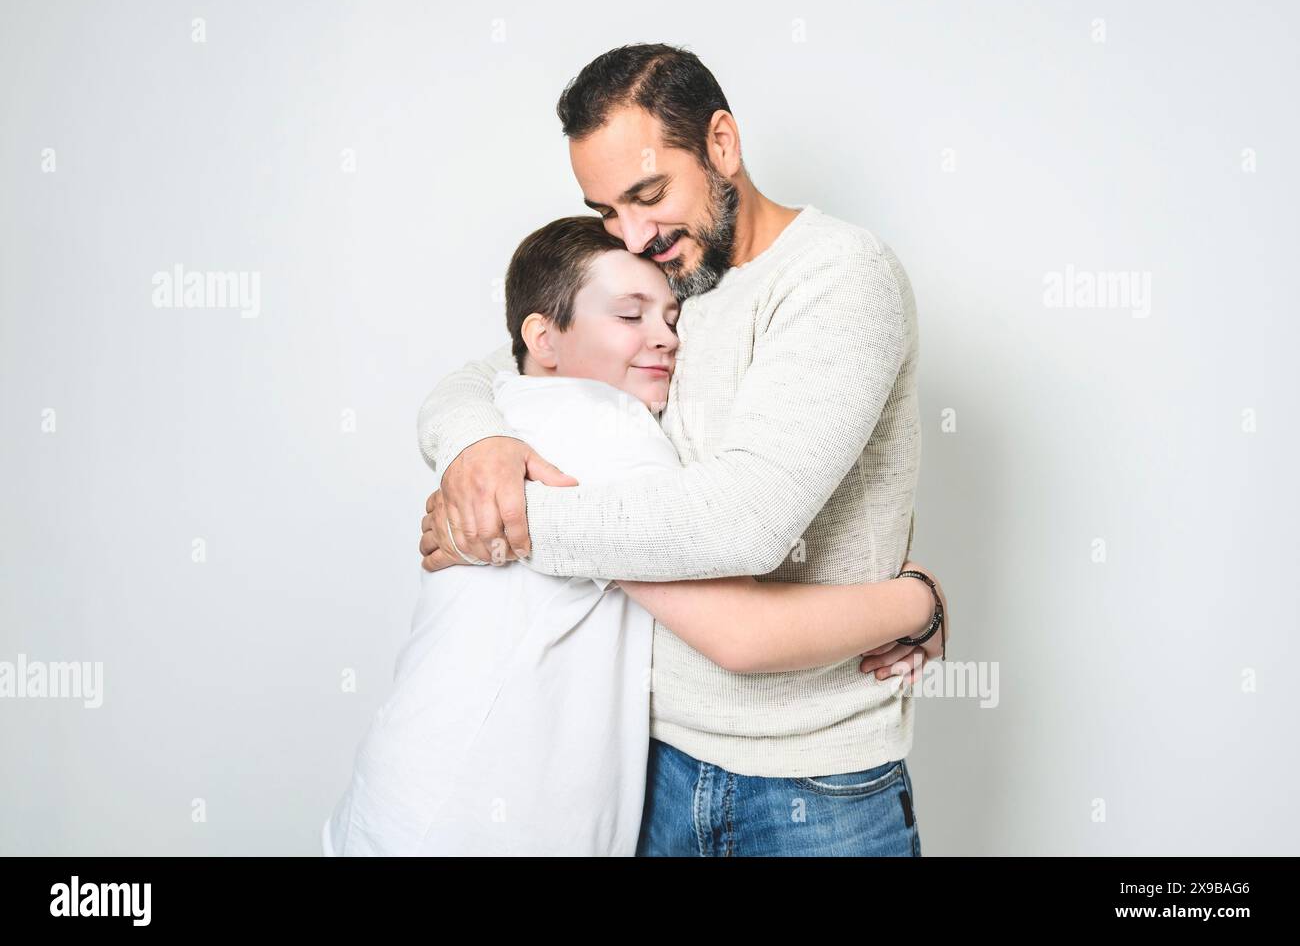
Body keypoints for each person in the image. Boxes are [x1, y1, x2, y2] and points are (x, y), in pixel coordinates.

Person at [417, 44, 936, 857]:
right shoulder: (670, 279)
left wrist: (512, 525)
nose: (632, 233)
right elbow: (493, 369)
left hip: (812, 787)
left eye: (648, 194)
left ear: (722, 144)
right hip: (647, 762)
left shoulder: (837, 275)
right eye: (606, 209)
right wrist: (473, 447)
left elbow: (743, 522)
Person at [326, 216, 943, 856]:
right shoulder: (610, 428)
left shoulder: (515, 404)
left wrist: (510, 511)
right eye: (630, 316)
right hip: (476, 825)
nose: (666, 338)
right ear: (543, 338)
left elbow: (480, 371)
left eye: (674, 320)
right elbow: (741, 632)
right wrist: (920, 601)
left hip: (407, 794)